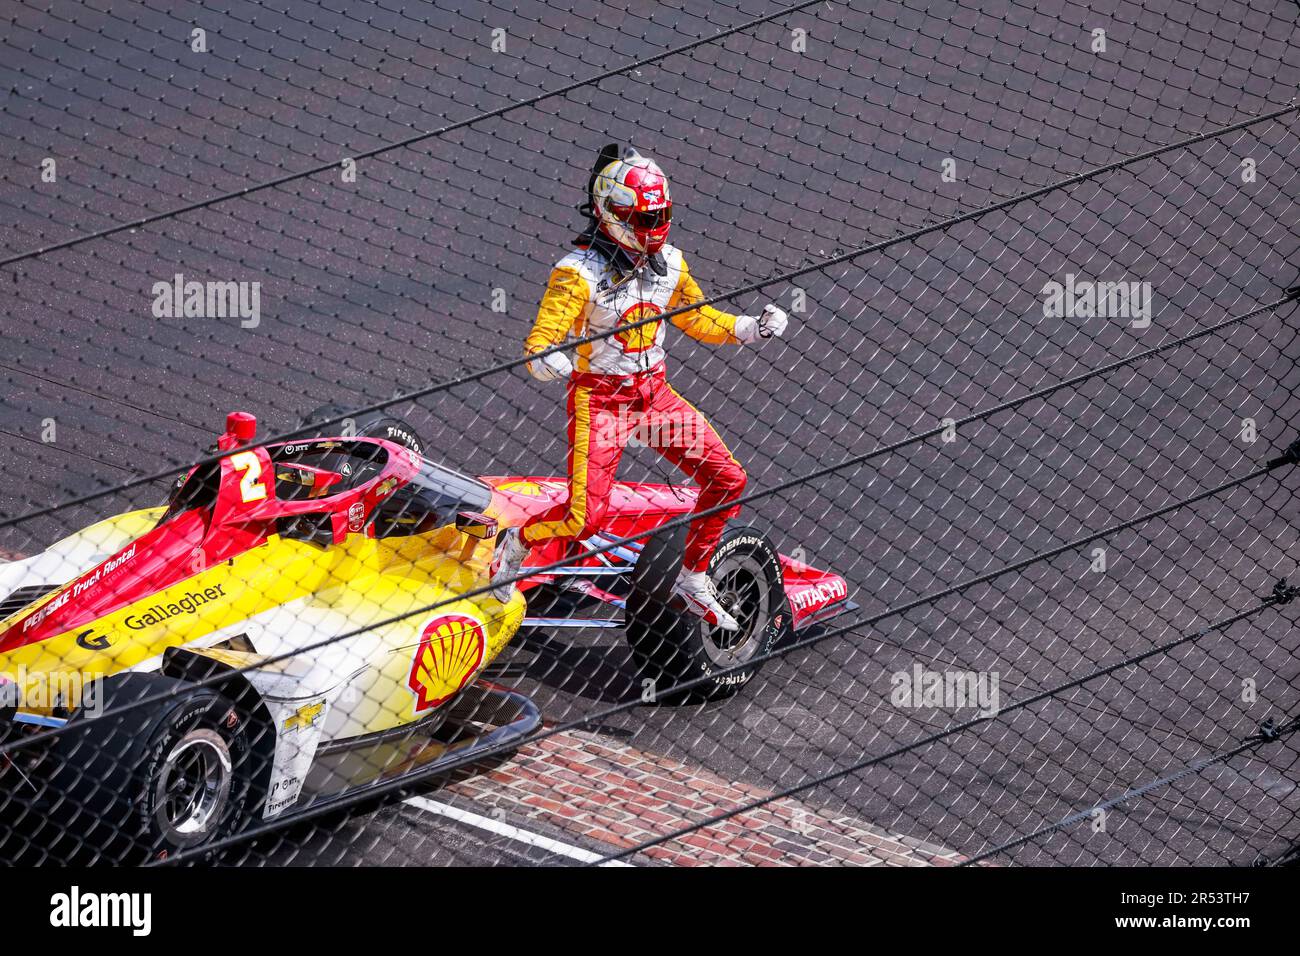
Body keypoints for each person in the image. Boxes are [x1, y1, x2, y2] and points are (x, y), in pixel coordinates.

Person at [490, 145, 789, 630]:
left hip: (654, 398)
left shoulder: (670, 261)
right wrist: (547, 361)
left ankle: (693, 578)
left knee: (728, 480)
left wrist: (750, 328)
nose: (655, 228)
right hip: (602, 403)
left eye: (661, 215)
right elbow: (540, 342)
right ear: (613, 212)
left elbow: (697, 317)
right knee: (584, 520)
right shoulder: (576, 272)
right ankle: (518, 543)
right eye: (645, 218)